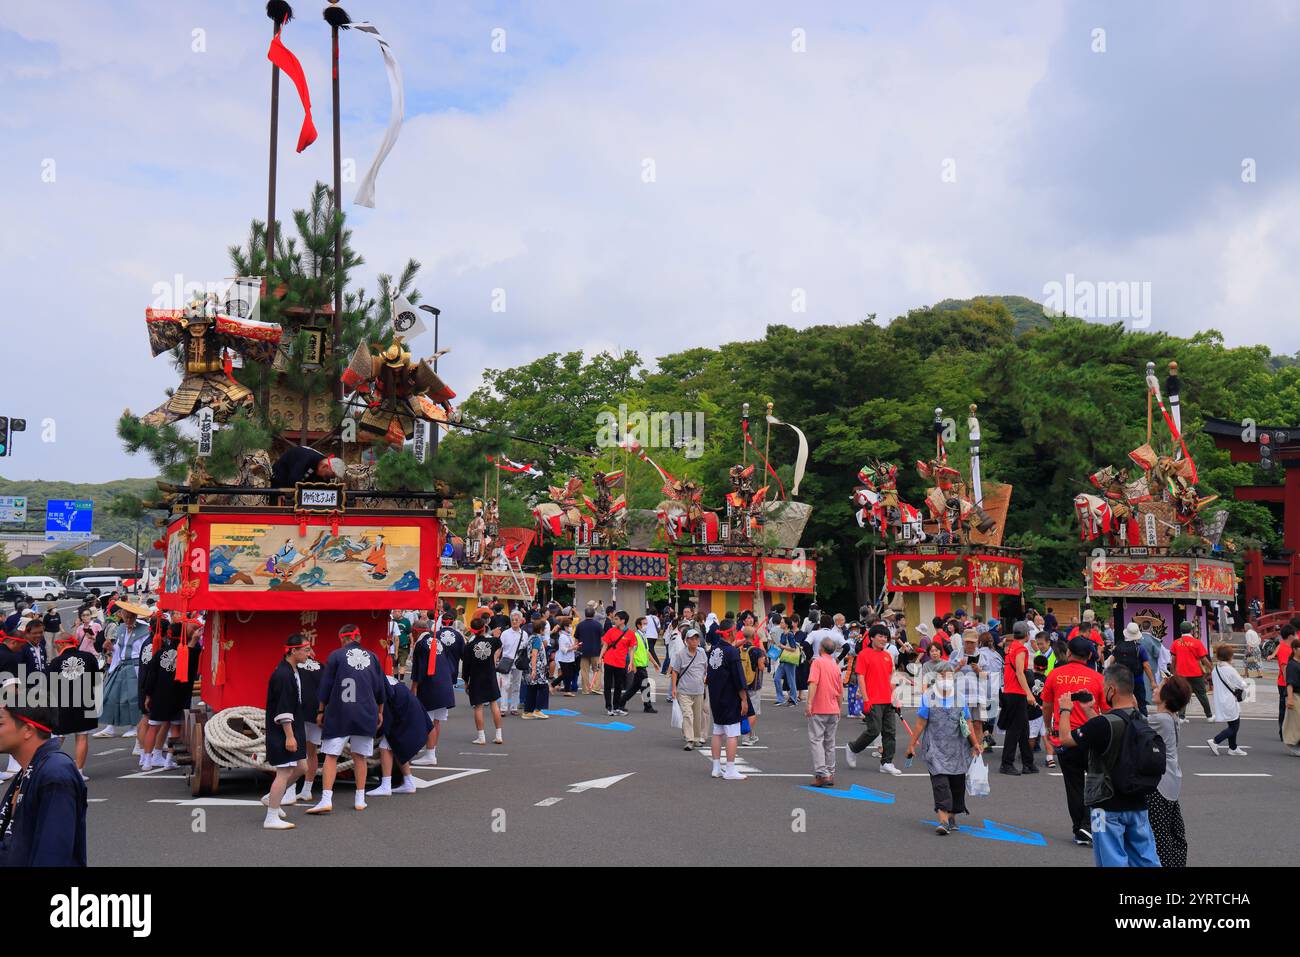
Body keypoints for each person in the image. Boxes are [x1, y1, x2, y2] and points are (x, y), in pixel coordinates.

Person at [1060, 664, 1161, 867]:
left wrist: (1065, 709)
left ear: (1112, 690)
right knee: (1145, 859)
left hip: (1106, 805)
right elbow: (1108, 731)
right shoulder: (1141, 720)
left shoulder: (1102, 725)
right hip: (1138, 802)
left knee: (1111, 860)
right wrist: (1089, 709)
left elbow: (1065, 739)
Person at [306, 625, 387, 815]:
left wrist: (320, 711)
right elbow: (381, 689)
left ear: (342, 639)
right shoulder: (373, 657)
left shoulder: (336, 656)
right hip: (366, 711)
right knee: (360, 756)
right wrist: (380, 712)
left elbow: (325, 686)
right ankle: (360, 798)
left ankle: (327, 798)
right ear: (358, 637)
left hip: (340, 712)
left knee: (331, 756)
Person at [0, 694, 88, 865]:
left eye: (0, 723)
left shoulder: (55, 773)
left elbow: (53, 854)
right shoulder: (31, 768)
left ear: (28, 730)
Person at [1040, 636, 1107, 846]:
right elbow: (1105, 709)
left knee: (1074, 785)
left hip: (1065, 736)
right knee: (1098, 784)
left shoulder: (1054, 675)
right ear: (1089, 656)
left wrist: (1049, 725)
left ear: (1068, 653)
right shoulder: (1097, 677)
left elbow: (1047, 705)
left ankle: (1079, 828)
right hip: (1092, 736)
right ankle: (1094, 828)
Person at [905, 661, 982, 835]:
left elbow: (967, 722)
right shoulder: (928, 697)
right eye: (941, 675)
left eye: (948, 675)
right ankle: (943, 821)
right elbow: (920, 724)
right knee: (940, 784)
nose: (945, 678)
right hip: (935, 749)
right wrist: (911, 745)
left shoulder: (960, 697)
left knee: (957, 785)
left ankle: (952, 815)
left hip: (958, 749)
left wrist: (975, 743)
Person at [261, 633, 311, 830]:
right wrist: (289, 736)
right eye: (306, 650)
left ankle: (271, 797)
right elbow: (283, 709)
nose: (309, 653)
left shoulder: (292, 670)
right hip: (283, 730)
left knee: (302, 768)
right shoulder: (283, 674)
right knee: (284, 772)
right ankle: (271, 816)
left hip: (294, 727)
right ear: (293, 651)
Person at [845, 624, 903, 776]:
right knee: (874, 730)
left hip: (887, 700)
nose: (884, 639)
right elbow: (861, 677)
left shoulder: (887, 656)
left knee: (890, 732)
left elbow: (892, 678)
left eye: (886, 637)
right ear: (872, 638)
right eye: (880, 636)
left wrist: (895, 698)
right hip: (872, 699)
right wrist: (865, 699)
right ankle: (853, 748)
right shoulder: (864, 654)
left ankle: (887, 762)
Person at [1147, 675, 1190, 866]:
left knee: (1160, 833)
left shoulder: (1161, 719)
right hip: (1172, 779)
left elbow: (1133, 725)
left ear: (1167, 695)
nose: (1154, 687)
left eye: (1160, 686)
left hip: (1160, 783)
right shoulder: (1173, 717)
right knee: (1175, 832)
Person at [94, 601, 152, 739]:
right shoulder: (121, 628)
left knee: (133, 698)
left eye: (131, 617)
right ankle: (110, 726)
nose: (128, 620)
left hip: (136, 667)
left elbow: (145, 650)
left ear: (136, 616)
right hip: (121, 665)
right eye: (125, 617)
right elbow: (120, 649)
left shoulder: (145, 629)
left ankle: (134, 726)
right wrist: (111, 648)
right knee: (111, 695)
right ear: (121, 615)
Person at [368, 676, 434, 796]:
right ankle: (408, 782)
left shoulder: (376, 684)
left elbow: (384, 718)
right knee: (397, 747)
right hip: (412, 709)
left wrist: (373, 733)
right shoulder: (382, 678)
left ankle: (386, 785)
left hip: (406, 713)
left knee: (386, 746)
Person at [49, 631, 100, 780]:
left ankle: (48, 768)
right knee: (82, 736)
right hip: (85, 701)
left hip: (62, 702)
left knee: (57, 737)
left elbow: (50, 686)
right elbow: (96, 681)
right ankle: (79, 771)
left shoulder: (56, 662)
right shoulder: (88, 657)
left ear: (62, 644)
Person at [706, 628, 750, 780]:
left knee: (717, 732)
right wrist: (744, 699)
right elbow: (739, 678)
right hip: (729, 697)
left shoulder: (713, 650)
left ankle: (716, 767)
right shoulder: (732, 652)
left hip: (715, 697)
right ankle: (730, 768)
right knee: (732, 734)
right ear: (730, 634)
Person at [998, 620, 1039, 775]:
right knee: (1015, 729)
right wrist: (1029, 693)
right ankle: (1006, 763)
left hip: (1010, 691)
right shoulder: (1021, 649)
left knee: (1023, 729)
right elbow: (1020, 672)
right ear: (1027, 635)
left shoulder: (1010, 648)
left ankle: (1028, 762)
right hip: (1017, 692)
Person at [806, 636, 843, 787]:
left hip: (819, 707)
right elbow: (840, 691)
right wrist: (839, 708)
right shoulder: (835, 665)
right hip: (833, 708)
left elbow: (813, 683)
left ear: (820, 648)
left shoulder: (818, 662)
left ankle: (822, 773)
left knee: (816, 740)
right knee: (830, 742)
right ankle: (830, 772)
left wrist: (809, 703)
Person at [462, 617, 504, 746]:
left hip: (476, 678)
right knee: (494, 704)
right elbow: (499, 642)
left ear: (473, 630)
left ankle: (481, 736)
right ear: (484, 628)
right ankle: (499, 735)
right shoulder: (492, 642)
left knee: (478, 707)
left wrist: (466, 681)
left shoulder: (469, 646)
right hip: (490, 676)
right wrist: (494, 635)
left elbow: (466, 666)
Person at [670, 627, 709, 750]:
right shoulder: (681, 654)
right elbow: (675, 672)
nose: (695, 641)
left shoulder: (702, 652)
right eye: (692, 639)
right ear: (686, 641)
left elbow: (706, 668)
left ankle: (697, 738)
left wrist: (706, 678)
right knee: (687, 714)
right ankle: (689, 739)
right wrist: (674, 688)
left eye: (697, 638)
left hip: (699, 690)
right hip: (684, 690)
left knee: (697, 716)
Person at [1107, 622, 1156, 716]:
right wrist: (1152, 681)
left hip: (1122, 681)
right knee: (1141, 703)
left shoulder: (1119, 647)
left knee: (1123, 703)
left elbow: (1111, 661)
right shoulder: (1140, 648)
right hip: (1137, 680)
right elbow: (1146, 666)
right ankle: (1143, 722)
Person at [1207, 644, 1248, 756]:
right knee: (1235, 725)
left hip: (1220, 699)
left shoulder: (1215, 669)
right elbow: (1241, 684)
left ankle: (1233, 748)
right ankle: (1215, 741)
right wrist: (1245, 683)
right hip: (1229, 700)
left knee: (1232, 724)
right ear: (1229, 657)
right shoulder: (1230, 669)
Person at [1170, 621, 1212, 722]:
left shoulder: (1176, 642)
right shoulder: (1197, 642)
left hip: (1181, 673)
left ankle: (1181, 717)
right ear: (1191, 630)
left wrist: (1172, 672)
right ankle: (1209, 716)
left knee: (1183, 694)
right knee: (1201, 694)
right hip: (1195, 673)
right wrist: (1212, 669)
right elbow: (1203, 659)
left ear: (1181, 630)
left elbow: (1173, 660)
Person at [619, 616, 660, 714]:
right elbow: (630, 651)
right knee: (646, 684)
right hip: (638, 666)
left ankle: (620, 702)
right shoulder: (636, 636)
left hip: (642, 665)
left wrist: (654, 663)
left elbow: (646, 651)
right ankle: (648, 706)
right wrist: (632, 664)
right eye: (644, 624)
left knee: (635, 687)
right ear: (638, 625)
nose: (646, 625)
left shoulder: (643, 636)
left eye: (647, 624)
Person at [601, 611, 636, 717]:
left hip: (621, 663)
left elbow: (631, 650)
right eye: (614, 618)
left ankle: (616, 707)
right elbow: (605, 645)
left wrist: (631, 663)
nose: (614, 620)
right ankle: (608, 707)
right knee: (607, 685)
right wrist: (599, 658)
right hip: (608, 661)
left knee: (618, 686)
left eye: (616, 619)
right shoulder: (611, 631)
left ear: (623, 621)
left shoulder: (630, 634)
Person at [269, 445, 347, 489]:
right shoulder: (306, 458)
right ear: (324, 466)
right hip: (280, 481)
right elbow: (294, 481)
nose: (325, 479)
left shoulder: (321, 461)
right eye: (327, 476)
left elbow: (323, 486)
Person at [1266, 624, 1295, 741]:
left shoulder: (1288, 646)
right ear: (1290, 636)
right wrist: (1290, 685)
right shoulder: (1284, 649)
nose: (1295, 637)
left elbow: (1277, 649)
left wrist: (1272, 655)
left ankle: (1287, 731)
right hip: (1284, 684)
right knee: (1284, 708)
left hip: (1288, 683)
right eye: (1294, 635)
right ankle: (1282, 732)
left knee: (1289, 709)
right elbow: (1284, 669)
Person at [498, 610, 527, 716]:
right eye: (512, 620)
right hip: (506, 662)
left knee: (516, 685)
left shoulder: (524, 634)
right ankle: (503, 708)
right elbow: (499, 648)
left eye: (516, 620)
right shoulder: (505, 634)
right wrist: (495, 660)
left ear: (521, 621)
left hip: (518, 663)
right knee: (504, 686)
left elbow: (525, 650)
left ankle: (514, 707)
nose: (514, 622)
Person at [520, 623, 552, 719]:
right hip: (537, 668)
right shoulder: (537, 639)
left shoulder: (530, 638)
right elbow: (534, 654)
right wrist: (534, 669)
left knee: (532, 689)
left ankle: (528, 711)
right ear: (541, 630)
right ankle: (538, 710)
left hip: (529, 667)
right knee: (543, 687)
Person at [575, 606, 605, 695]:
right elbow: (602, 640)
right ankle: (596, 688)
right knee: (598, 670)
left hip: (583, 651)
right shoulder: (598, 625)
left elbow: (576, 639)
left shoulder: (580, 625)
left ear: (585, 614)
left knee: (584, 671)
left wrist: (578, 648)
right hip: (596, 651)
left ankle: (585, 689)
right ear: (594, 614)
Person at [555, 616, 578, 696]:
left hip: (570, 658)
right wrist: (572, 648)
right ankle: (566, 691)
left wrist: (575, 647)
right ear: (565, 627)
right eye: (570, 626)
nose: (571, 628)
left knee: (568, 674)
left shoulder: (568, 635)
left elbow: (570, 646)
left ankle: (554, 686)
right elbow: (563, 649)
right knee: (566, 675)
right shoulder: (562, 636)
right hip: (564, 659)